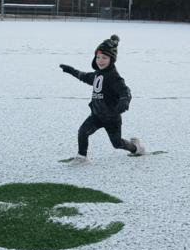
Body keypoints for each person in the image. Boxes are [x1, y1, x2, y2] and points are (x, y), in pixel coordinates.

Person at [59, 34, 145, 164]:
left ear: (112, 59)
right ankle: (82, 157)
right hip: (97, 115)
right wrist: (71, 70)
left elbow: (125, 90)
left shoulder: (113, 76)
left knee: (117, 143)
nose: (100, 61)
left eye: (104, 58)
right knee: (83, 132)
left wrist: (124, 101)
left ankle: (136, 148)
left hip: (112, 117)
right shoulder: (98, 74)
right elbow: (85, 76)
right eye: (98, 57)